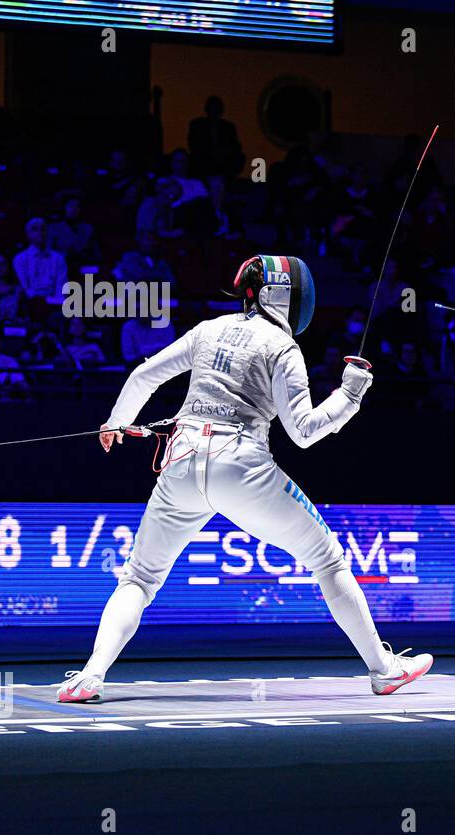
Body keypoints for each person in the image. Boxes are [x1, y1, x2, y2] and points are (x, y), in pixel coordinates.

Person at [56, 256, 432, 703]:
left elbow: (144, 375)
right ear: (288, 297)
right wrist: (350, 394)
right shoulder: (282, 346)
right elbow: (305, 431)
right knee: (328, 561)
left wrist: (116, 422)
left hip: (182, 460)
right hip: (242, 465)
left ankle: (90, 675)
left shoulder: (209, 328)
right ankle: (383, 670)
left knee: (138, 578)